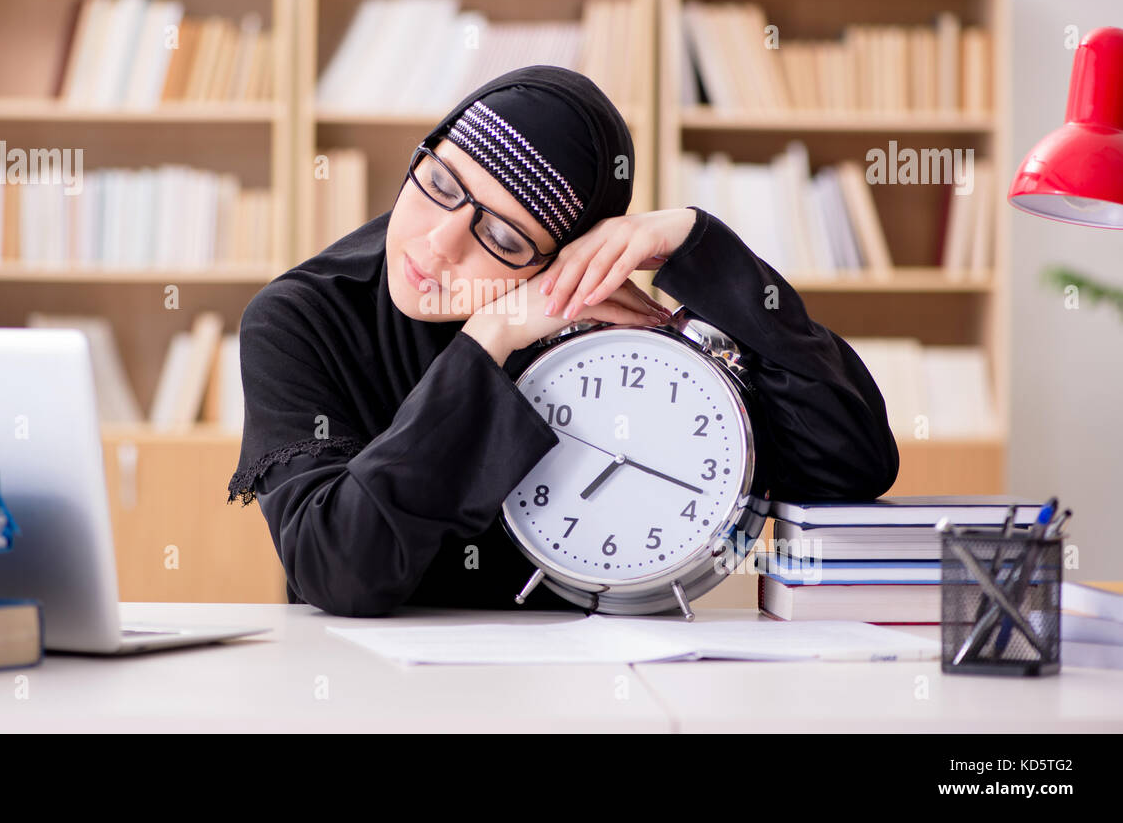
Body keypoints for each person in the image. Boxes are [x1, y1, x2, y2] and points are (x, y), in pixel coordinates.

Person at [226, 64, 899, 617]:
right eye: (439, 183)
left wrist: (697, 244)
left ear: (561, 260)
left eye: (506, 237)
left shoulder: (606, 340)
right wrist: (491, 335)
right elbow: (339, 565)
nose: (438, 244)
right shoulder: (297, 321)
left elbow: (851, 462)